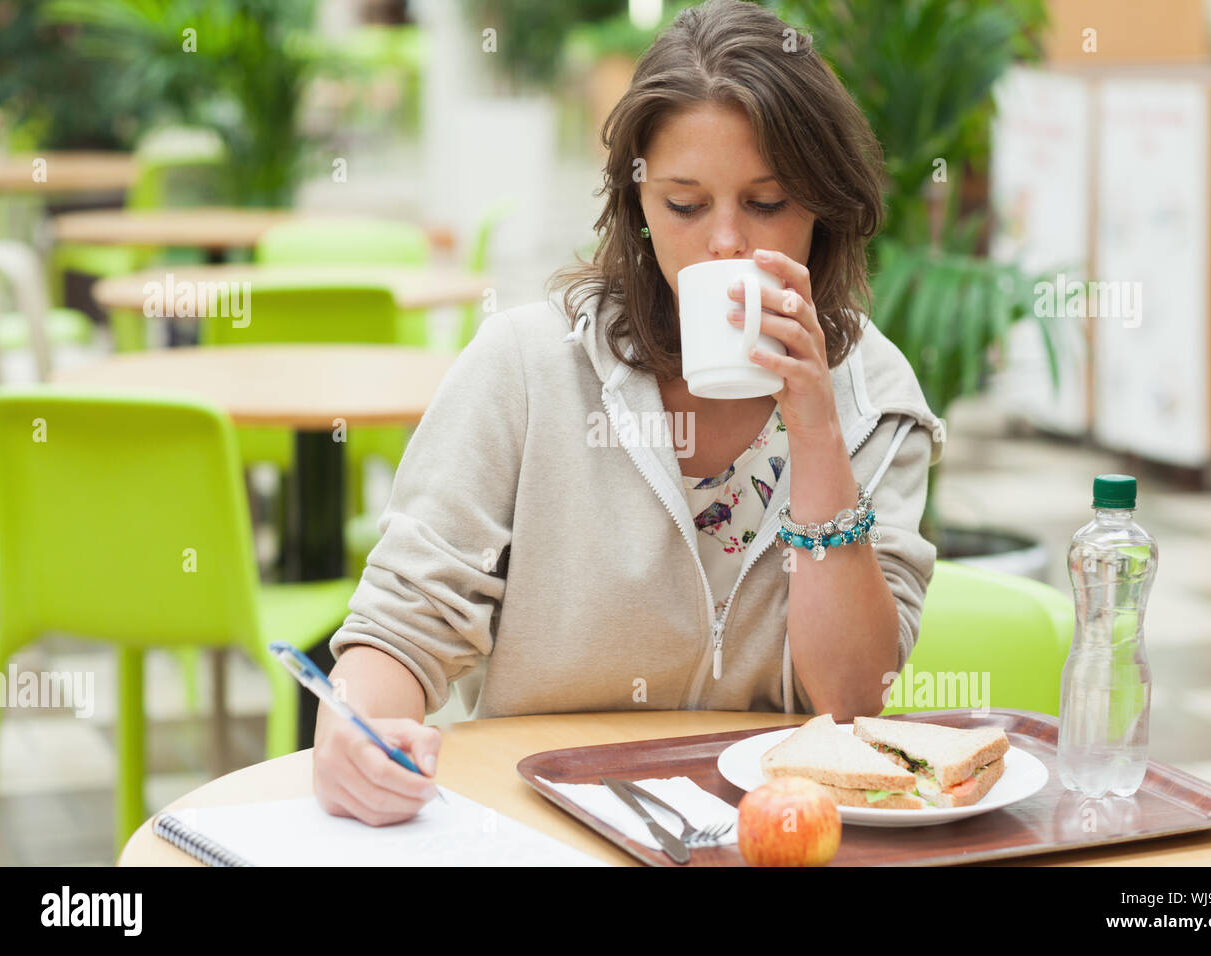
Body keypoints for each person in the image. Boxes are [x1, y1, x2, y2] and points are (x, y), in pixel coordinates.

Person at [313, 0, 945, 827]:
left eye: (767, 203)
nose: (725, 243)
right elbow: (405, 625)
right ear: (639, 206)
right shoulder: (528, 368)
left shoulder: (872, 396)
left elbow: (853, 698)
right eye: (685, 205)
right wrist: (353, 738)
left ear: (824, 206)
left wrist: (817, 429)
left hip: (767, 833)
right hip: (540, 825)